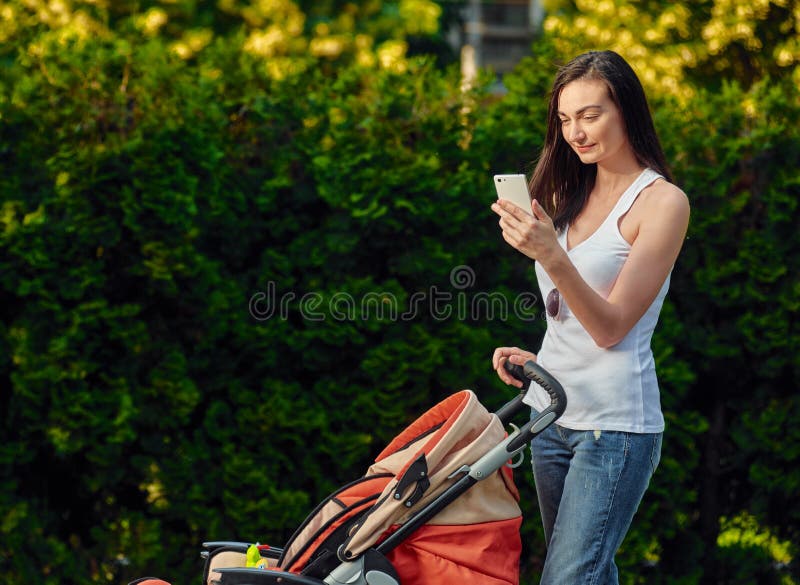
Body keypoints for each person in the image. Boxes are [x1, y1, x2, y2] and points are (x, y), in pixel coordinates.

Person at [489, 50, 690, 585]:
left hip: (614, 427)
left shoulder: (662, 203)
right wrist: (539, 356)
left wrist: (550, 253)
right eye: (564, 118)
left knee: (568, 578)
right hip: (552, 414)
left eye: (589, 115)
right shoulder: (563, 192)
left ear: (626, 109)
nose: (575, 132)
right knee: (588, 576)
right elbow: (571, 316)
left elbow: (612, 326)